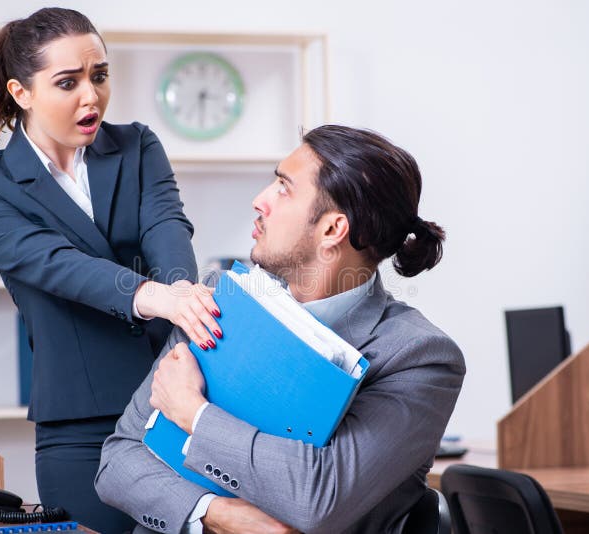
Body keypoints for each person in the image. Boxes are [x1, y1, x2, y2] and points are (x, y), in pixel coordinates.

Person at [95, 124, 466, 533]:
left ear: (332, 230)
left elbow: (318, 497)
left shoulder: (418, 356)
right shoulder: (220, 301)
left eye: (283, 188)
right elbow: (119, 461)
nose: (260, 201)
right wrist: (215, 513)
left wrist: (193, 413)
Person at [0, 8, 223, 532]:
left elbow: (167, 227)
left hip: (176, 399)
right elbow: (61, 267)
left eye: (99, 76)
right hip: (81, 428)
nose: (91, 96)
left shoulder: (137, 145)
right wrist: (158, 298)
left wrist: (182, 290)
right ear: (21, 92)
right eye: (67, 82)